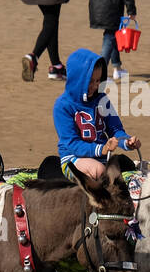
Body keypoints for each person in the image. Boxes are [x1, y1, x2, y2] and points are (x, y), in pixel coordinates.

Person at [53, 48, 140, 182]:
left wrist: (126, 142)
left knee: (130, 173)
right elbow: (71, 143)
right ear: (77, 80)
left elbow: (115, 130)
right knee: (98, 170)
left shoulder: (102, 100)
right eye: (90, 81)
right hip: (73, 159)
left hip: (102, 156)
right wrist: (102, 149)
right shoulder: (62, 106)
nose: (95, 86)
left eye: (98, 80)